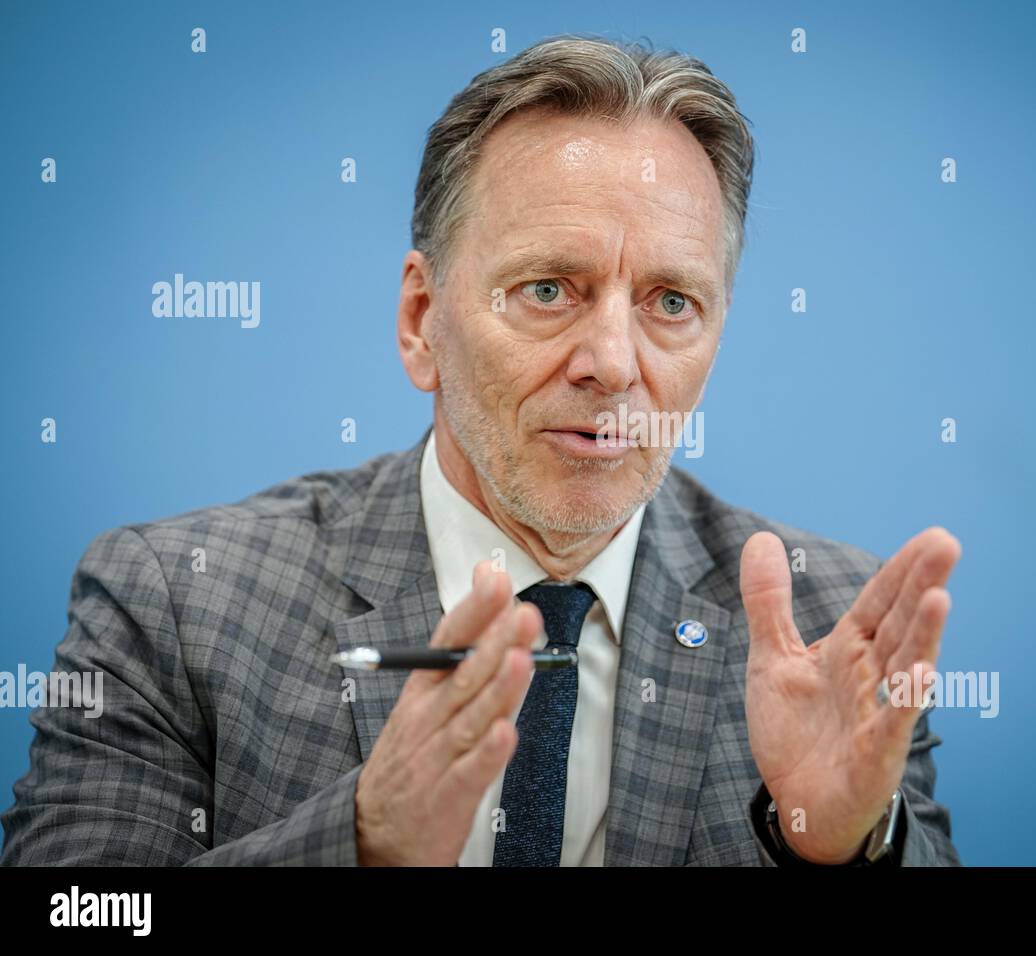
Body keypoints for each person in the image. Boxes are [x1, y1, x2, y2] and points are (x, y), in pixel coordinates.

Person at [1, 35, 962, 867]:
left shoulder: (836, 629)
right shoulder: (178, 603)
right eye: (549, 289)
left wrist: (842, 848)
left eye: (673, 303)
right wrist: (363, 840)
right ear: (423, 320)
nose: (614, 365)